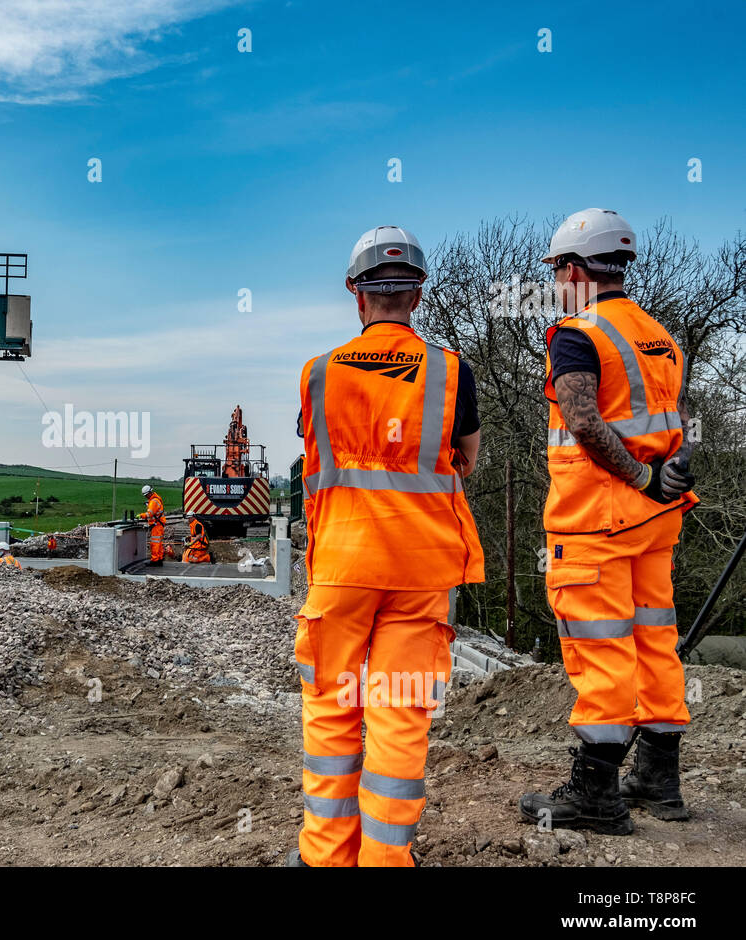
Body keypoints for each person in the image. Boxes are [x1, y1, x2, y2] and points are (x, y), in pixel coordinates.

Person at [290, 225, 485, 867]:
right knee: (400, 713)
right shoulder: (452, 372)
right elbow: (467, 461)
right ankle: (384, 860)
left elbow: (313, 452)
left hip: (343, 566)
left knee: (331, 710)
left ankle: (323, 857)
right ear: (418, 296)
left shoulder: (318, 374)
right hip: (420, 566)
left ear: (356, 295)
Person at [519, 209, 697, 833]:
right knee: (654, 640)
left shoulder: (577, 334)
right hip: (655, 522)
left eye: (556, 272)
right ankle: (658, 779)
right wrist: (663, 477)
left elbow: (586, 421)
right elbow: (670, 426)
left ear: (573, 269)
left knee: (601, 651)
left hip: (597, 521)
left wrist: (642, 476)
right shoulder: (657, 335)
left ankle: (596, 794)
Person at [137, 484, 166, 565]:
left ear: (149, 493)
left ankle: (155, 560)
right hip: (158, 524)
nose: (146, 497)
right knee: (159, 543)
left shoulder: (153, 501)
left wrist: (141, 515)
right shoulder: (155, 499)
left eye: (146, 495)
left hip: (156, 525)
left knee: (155, 543)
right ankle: (159, 559)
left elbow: (149, 514)